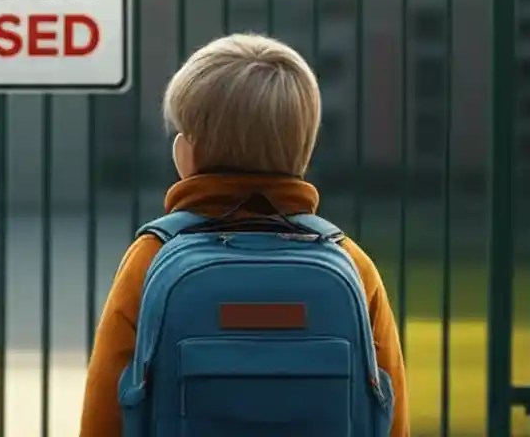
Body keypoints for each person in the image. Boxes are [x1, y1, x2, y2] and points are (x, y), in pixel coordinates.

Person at [79, 33, 409, 436]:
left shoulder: (151, 258)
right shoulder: (351, 263)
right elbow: (391, 417)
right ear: (304, 151)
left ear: (186, 153)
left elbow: (104, 413)